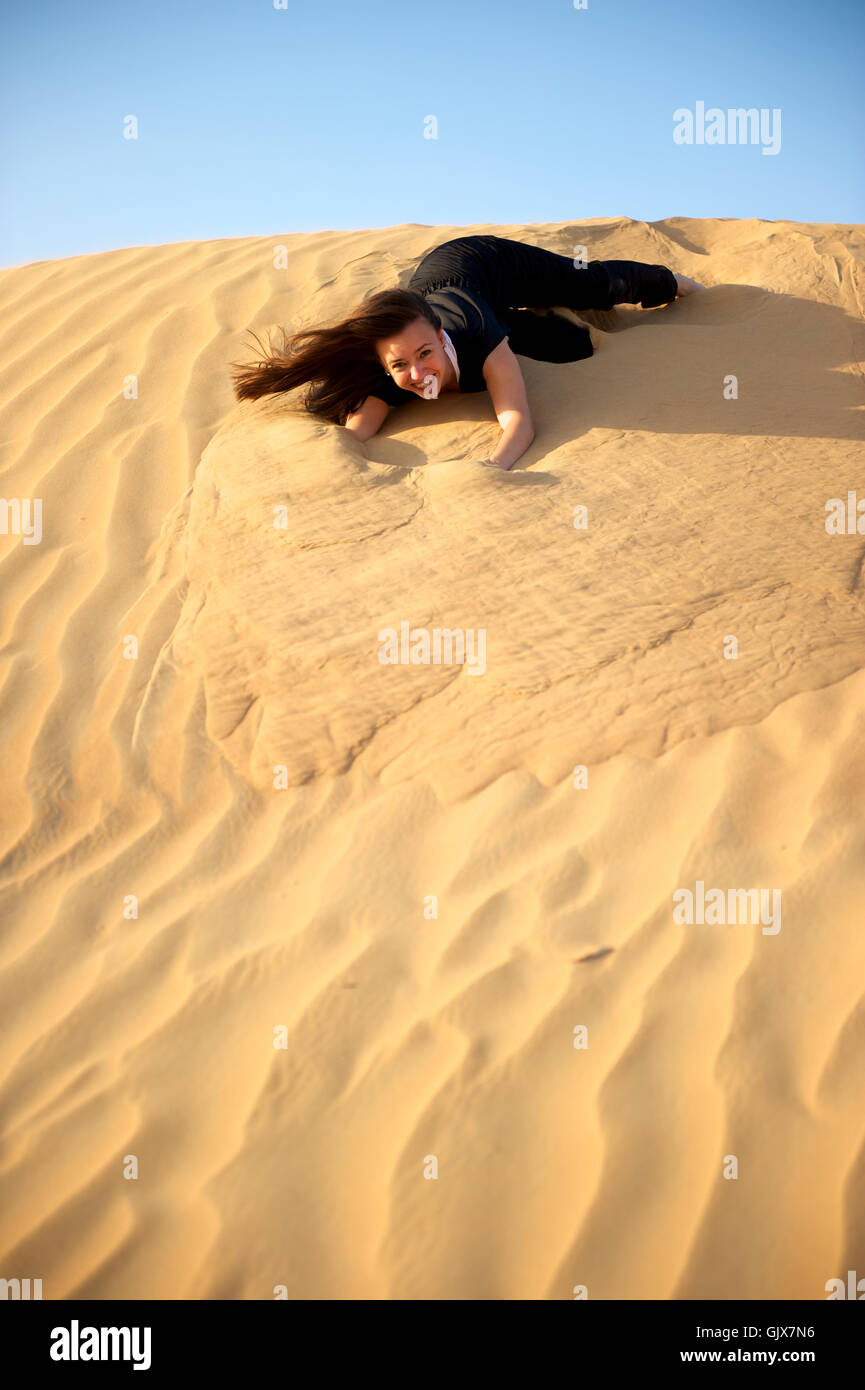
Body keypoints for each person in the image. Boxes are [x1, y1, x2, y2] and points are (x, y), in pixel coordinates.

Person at [231, 234, 704, 471]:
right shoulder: (389, 369)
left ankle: (676, 282)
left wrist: (493, 469)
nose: (417, 373)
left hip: (481, 265)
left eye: (424, 354)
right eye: (399, 365)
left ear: (440, 337)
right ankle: (531, 319)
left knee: (592, 285)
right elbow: (358, 431)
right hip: (464, 305)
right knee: (570, 345)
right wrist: (337, 459)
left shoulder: (476, 335)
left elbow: (517, 419)